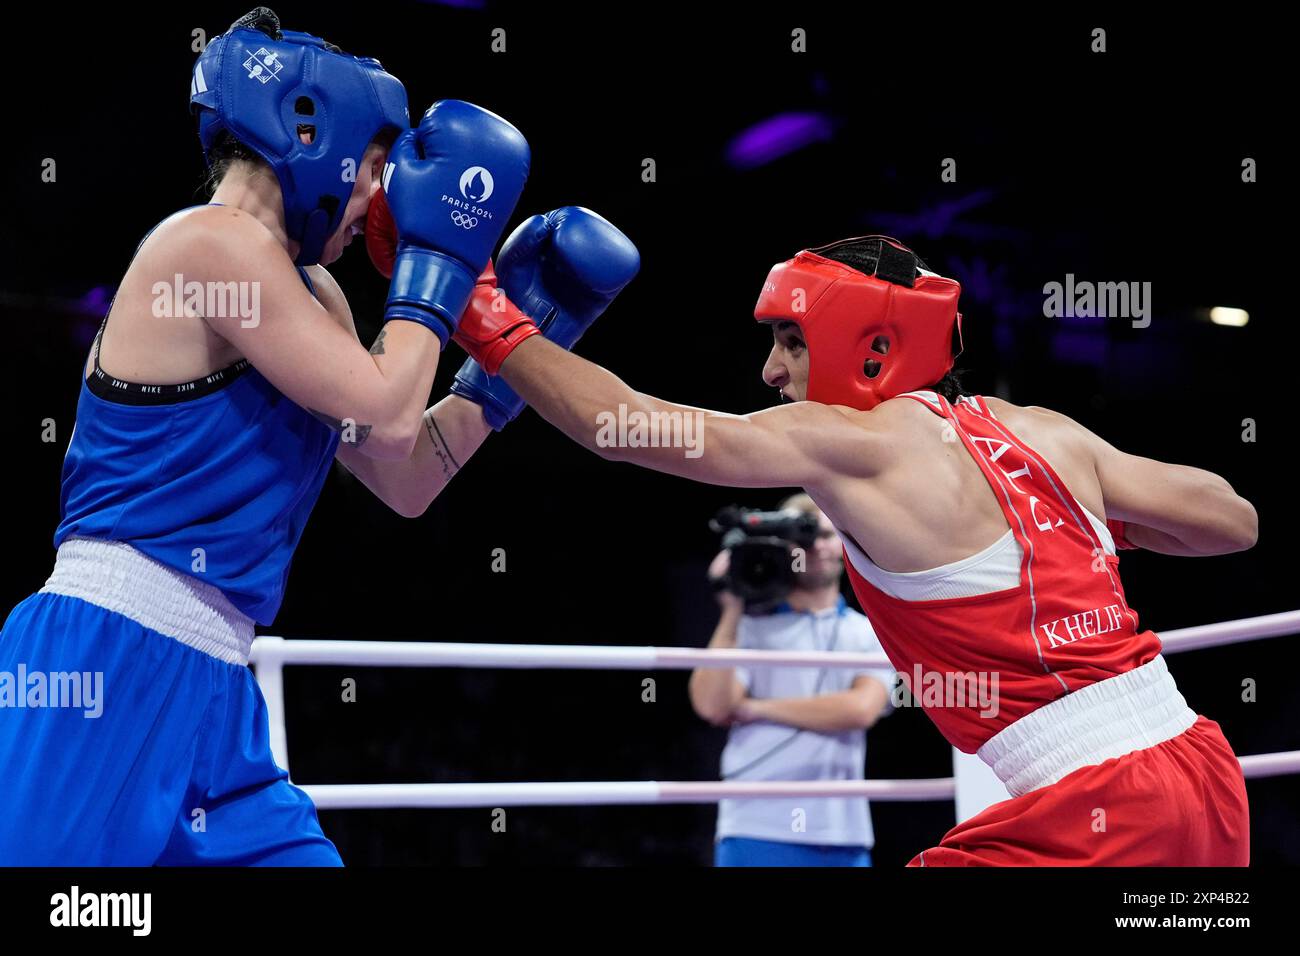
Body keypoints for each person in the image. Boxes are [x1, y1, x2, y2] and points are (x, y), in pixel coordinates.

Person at [446, 232, 1257, 866]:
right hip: (1204, 775)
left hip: (1092, 808)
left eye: (791, 341)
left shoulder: (846, 443)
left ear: (869, 345)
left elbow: (622, 427)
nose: (769, 370)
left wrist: (483, 315)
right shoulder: (1044, 430)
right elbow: (1232, 520)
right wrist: (1097, 525)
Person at [0, 7, 546, 864]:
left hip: (219, 686)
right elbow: (388, 406)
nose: (380, 197)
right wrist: (441, 260)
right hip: (101, 659)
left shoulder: (313, 292)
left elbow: (405, 472)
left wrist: (510, 360)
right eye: (375, 165)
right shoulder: (206, 246)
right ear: (309, 131)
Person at [690, 494, 894, 867]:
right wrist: (732, 610)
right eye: (803, 537)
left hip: (842, 832)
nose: (815, 546)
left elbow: (861, 709)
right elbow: (713, 705)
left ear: (845, 543)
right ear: (783, 550)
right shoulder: (750, 630)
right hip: (754, 825)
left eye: (826, 534)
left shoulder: (871, 633)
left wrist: (754, 707)